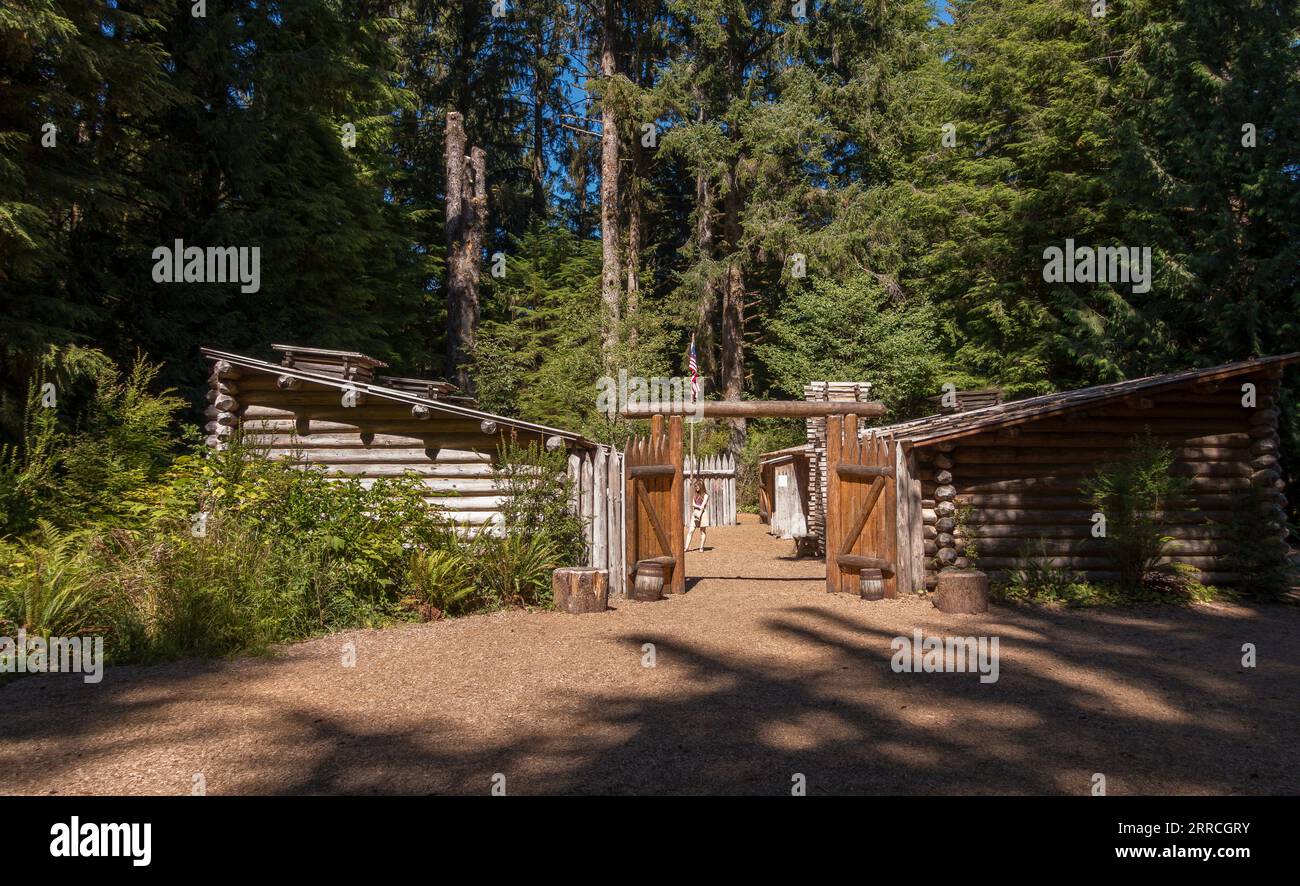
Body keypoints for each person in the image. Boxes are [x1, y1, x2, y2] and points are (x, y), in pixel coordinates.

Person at [686, 478, 710, 553]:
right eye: (695, 486)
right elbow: (693, 504)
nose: (696, 488)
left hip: (703, 513)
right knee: (690, 530)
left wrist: (699, 513)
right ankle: (686, 547)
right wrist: (699, 507)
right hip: (695, 512)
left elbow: (703, 506)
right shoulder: (695, 494)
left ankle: (701, 548)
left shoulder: (706, 495)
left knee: (702, 531)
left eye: (697, 486)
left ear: (701, 486)